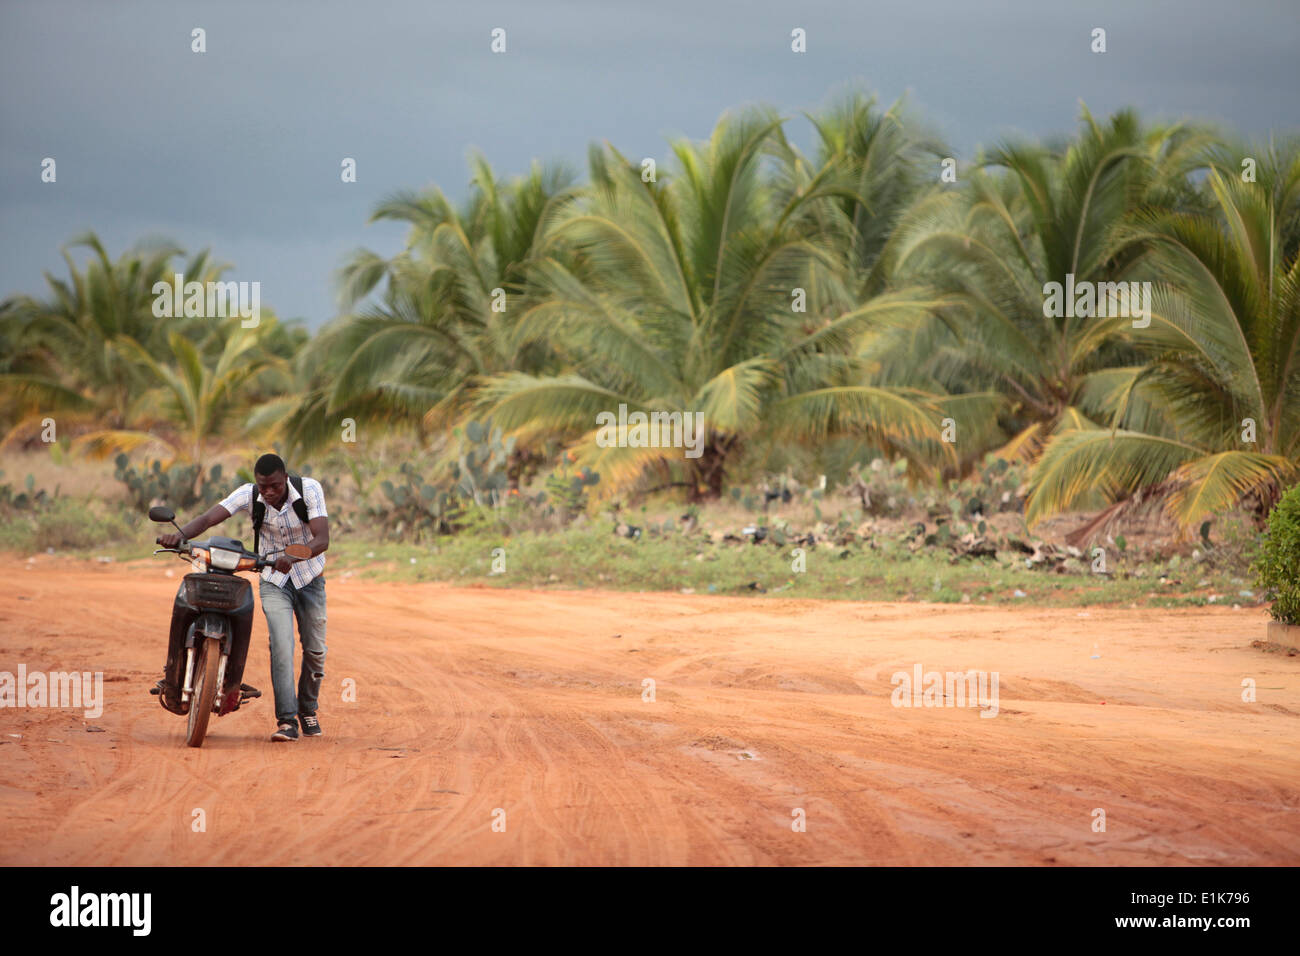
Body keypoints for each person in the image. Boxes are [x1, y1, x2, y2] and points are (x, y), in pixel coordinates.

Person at [156, 453, 330, 742]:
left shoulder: (309, 489)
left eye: (274, 486)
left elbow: (322, 538)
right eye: (264, 487)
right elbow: (209, 518)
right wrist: (180, 535)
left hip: (309, 577)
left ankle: (308, 708)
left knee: (315, 651)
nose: (269, 493)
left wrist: (295, 555)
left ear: (285, 478)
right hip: (273, 579)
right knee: (282, 647)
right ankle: (287, 721)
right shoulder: (249, 494)